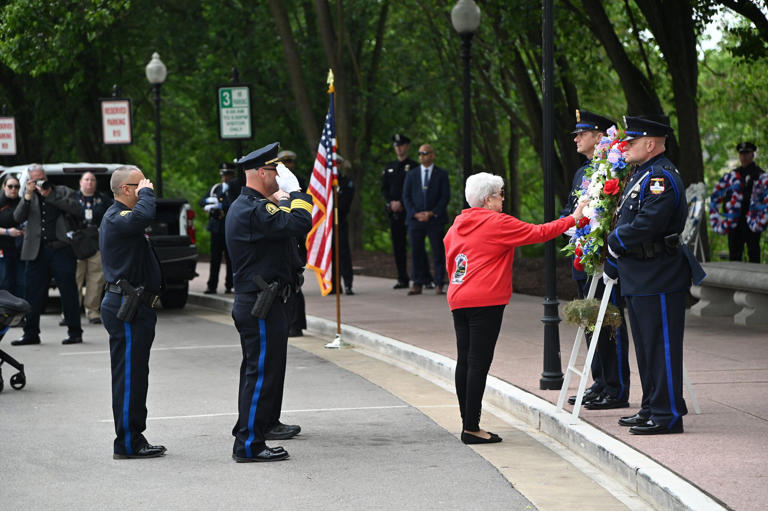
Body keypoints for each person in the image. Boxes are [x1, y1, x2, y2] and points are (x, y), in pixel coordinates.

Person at [444, 172, 587, 444]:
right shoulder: (496, 222)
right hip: (485, 299)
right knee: (478, 362)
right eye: (499, 194)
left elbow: (450, 259)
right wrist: (574, 217)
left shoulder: (457, 225)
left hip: (459, 295)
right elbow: (539, 232)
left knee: (465, 360)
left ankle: (467, 421)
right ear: (487, 200)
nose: (503, 199)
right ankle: (471, 427)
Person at [604, 116, 705, 435]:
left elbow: (650, 223)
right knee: (647, 346)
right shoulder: (644, 173)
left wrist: (615, 242)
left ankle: (667, 414)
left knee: (660, 345)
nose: (625, 147)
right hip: (641, 273)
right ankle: (651, 406)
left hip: (659, 272)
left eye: (631, 142)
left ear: (651, 144)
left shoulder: (659, 176)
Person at [225, 142, 313, 462]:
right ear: (261, 173)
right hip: (260, 304)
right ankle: (249, 444)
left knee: (261, 373)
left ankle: (253, 433)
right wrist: (298, 193)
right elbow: (299, 224)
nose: (279, 176)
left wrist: (286, 198)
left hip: (265, 302)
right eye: (275, 170)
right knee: (260, 375)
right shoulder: (254, 208)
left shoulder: (252, 206)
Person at [565, 110, 631, 410]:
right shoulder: (582, 172)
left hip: (605, 260)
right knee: (591, 323)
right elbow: (571, 210)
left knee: (610, 321)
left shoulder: (615, 169)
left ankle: (616, 388)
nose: (576, 138)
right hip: (583, 257)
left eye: (582, 133)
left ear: (599, 136)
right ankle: (600, 382)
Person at [99, 166, 166, 458]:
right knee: (129, 376)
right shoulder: (117, 218)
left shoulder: (125, 220)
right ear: (126, 189)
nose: (145, 189)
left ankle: (135, 435)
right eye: (139, 185)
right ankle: (126, 442)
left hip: (137, 308)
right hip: (126, 307)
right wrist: (148, 193)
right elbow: (144, 216)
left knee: (137, 374)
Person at [11, 164, 83, 346]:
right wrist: (27, 196)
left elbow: (76, 209)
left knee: (68, 293)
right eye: (33, 179)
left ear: (46, 176)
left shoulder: (62, 191)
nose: (37, 182)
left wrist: (49, 195)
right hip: (36, 251)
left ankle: (75, 332)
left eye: (40, 178)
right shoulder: (27, 195)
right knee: (32, 295)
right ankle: (31, 333)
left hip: (61, 249)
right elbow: (17, 217)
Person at [402, 143, 450, 295]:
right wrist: (415, 213)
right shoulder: (412, 174)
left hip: (435, 219)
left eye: (425, 153)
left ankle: (439, 283)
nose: (422, 156)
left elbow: (445, 197)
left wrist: (432, 212)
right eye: (420, 153)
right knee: (416, 252)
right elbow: (406, 196)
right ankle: (417, 282)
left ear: (432, 155)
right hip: (415, 220)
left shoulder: (441, 174)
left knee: (438, 251)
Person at [74, 172, 113, 324]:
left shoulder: (103, 199)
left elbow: (112, 215)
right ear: (80, 182)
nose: (89, 183)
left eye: (92, 180)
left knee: (96, 279)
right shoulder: (72, 198)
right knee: (75, 278)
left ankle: (92, 312)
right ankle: (70, 312)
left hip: (96, 243)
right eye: (86, 179)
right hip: (77, 244)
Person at [278, 150, 308, 337]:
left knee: (294, 283)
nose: (288, 165)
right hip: (285, 234)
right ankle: (290, 323)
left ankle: (296, 324)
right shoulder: (278, 184)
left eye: (290, 162)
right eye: (284, 162)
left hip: (294, 236)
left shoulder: (298, 183)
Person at [381, 134, 417, 289]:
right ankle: (402, 277)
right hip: (394, 212)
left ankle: (420, 277)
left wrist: (403, 203)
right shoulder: (389, 167)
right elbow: (384, 189)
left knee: (416, 245)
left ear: (407, 146)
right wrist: (391, 203)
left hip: (410, 211)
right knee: (398, 246)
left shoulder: (414, 166)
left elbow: (415, 190)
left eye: (401, 145)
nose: (399, 148)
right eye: (396, 145)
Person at [200, 162, 235, 294]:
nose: (225, 177)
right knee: (215, 258)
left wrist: (221, 205)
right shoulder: (216, 188)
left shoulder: (233, 188)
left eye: (228, 175)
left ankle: (229, 285)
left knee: (230, 258)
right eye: (223, 175)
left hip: (228, 227)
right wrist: (209, 202)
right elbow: (201, 201)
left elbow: (233, 203)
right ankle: (212, 285)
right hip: (216, 227)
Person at [727, 142, 763, 262]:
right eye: (742, 154)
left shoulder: (760, 175)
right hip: (735, 222)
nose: (744, 156)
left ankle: (756, 280)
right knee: (734, 255)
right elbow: (726, 197)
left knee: (753, 254)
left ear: (752, 155)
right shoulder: (733, 175)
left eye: (747, 153)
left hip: (752, 221)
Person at [0, 176, 25, 300]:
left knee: (21, 284)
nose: (13, 189)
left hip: (21, 250)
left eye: (17, 187)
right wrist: (7, 232)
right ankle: (5, 316)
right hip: (3, 250)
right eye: (10, 186)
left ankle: (19, 317)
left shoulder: (22, 202)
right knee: (5, 283)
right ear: (4, 186)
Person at [335, 154, 355, 295]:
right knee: (329, 255)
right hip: (326, 224)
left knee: (343, 253)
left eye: (337, 163)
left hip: (340, 221)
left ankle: (347, 284)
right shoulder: (322, 183)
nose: (334, 166)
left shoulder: (346, 182)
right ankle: (333, 285)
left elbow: (345, 203)